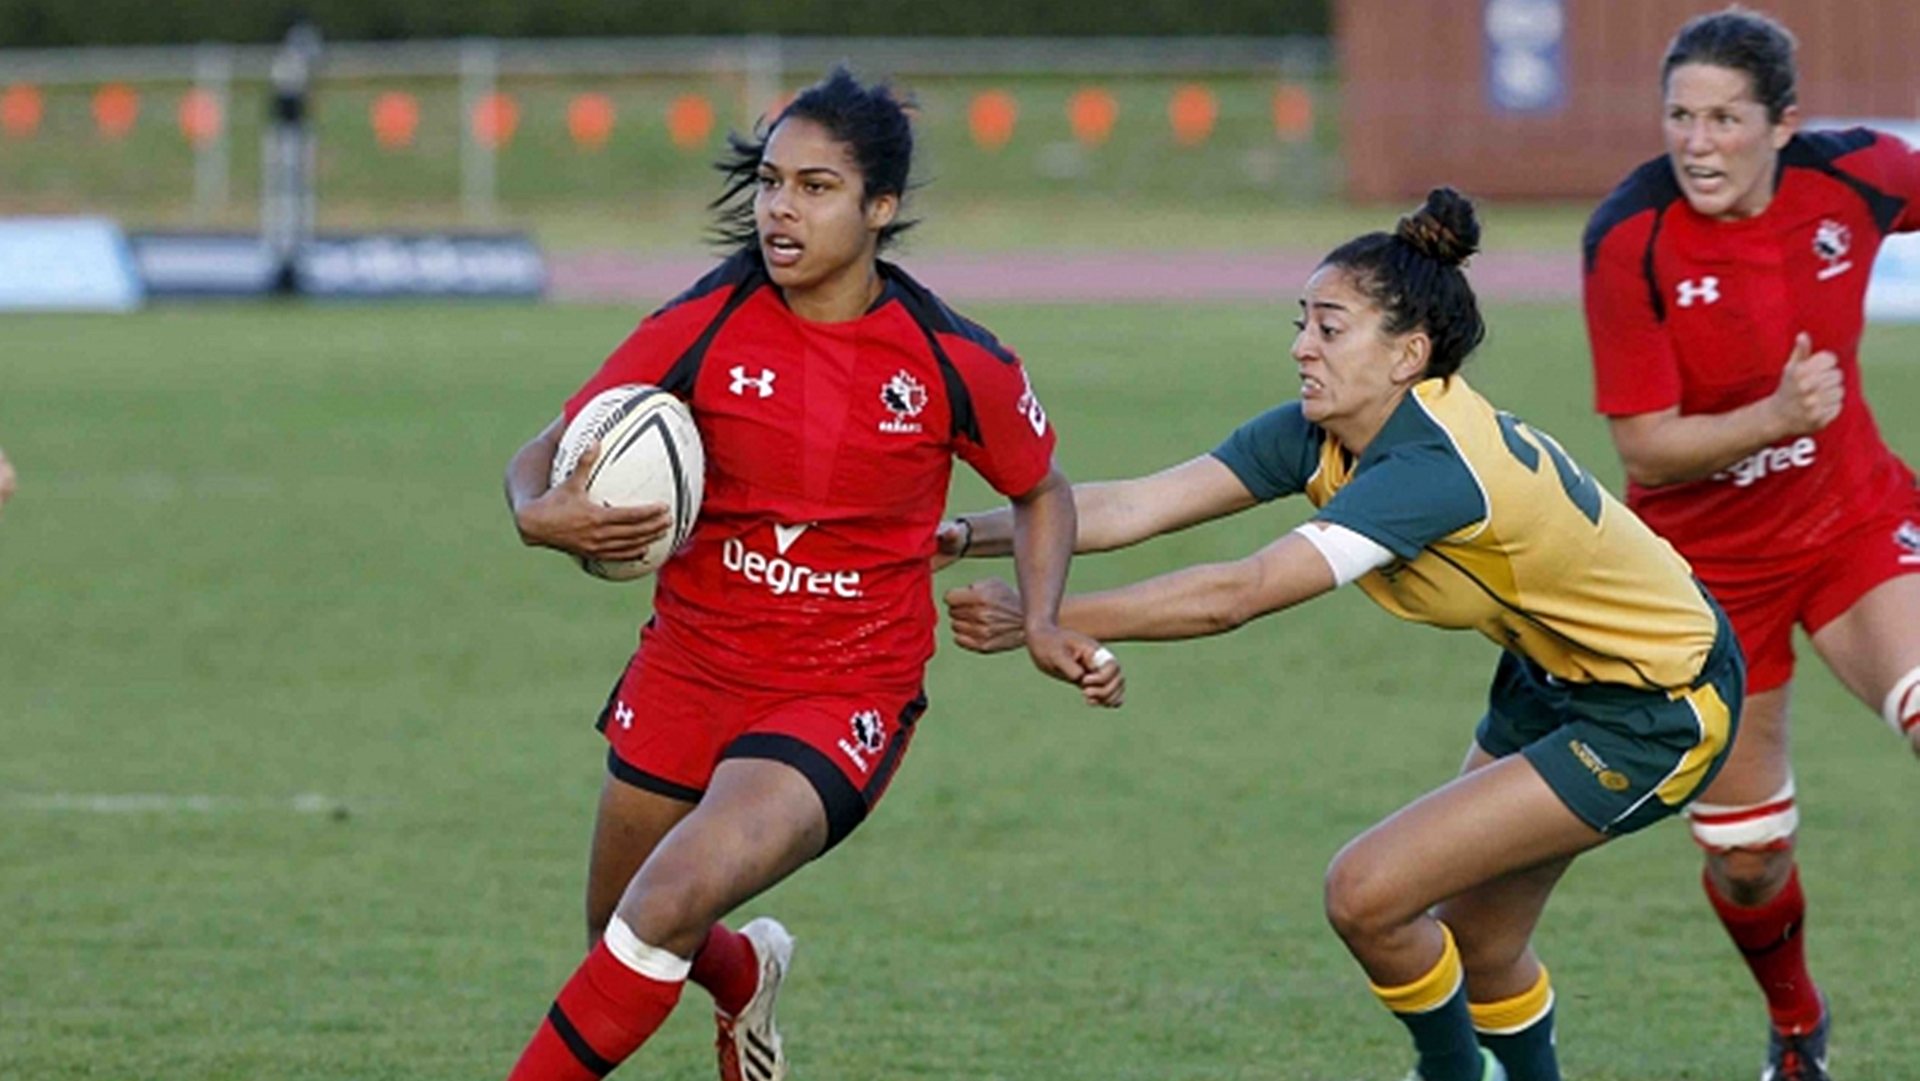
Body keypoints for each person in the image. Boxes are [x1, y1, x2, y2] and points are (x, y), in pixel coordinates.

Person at [939, 188, 1744, 1081]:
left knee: (1368, 893)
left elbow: (1236, 592)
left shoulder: (1435, 466)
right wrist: (966, 531)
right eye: (1302, 322)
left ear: (1408, 353)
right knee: (1480, 943)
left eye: (1329, 327)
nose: (1300, 346)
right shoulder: (1324, 433)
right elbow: (1137, 502)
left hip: (1656, 705)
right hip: (1547, 676)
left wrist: (1045, 619)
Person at [499, 67, 1123, 1081]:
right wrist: (537, 514)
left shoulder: (950, 357)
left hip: (842, 688)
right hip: (687, 666)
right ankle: (745, 978)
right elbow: (552, 444)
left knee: (663, 904)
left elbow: (1041, 490)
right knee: (625, 924)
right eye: (770, 181)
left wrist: (1044, 621)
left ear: (880, 208)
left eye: (816, 187)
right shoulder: (706, 318)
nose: (780, 208)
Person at [1581, 10, 1920, 1078]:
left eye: (1725, 118)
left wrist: (1803, 430)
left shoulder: (1856, 178)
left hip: (1853, 522)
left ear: (1783, 124)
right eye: (1681, 115)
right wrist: (1775, 418)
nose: (1698, 140)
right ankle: (1794, 1025)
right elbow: (1646, 446)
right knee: (1747, 857)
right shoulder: (1630, 237)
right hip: (1708, 578)